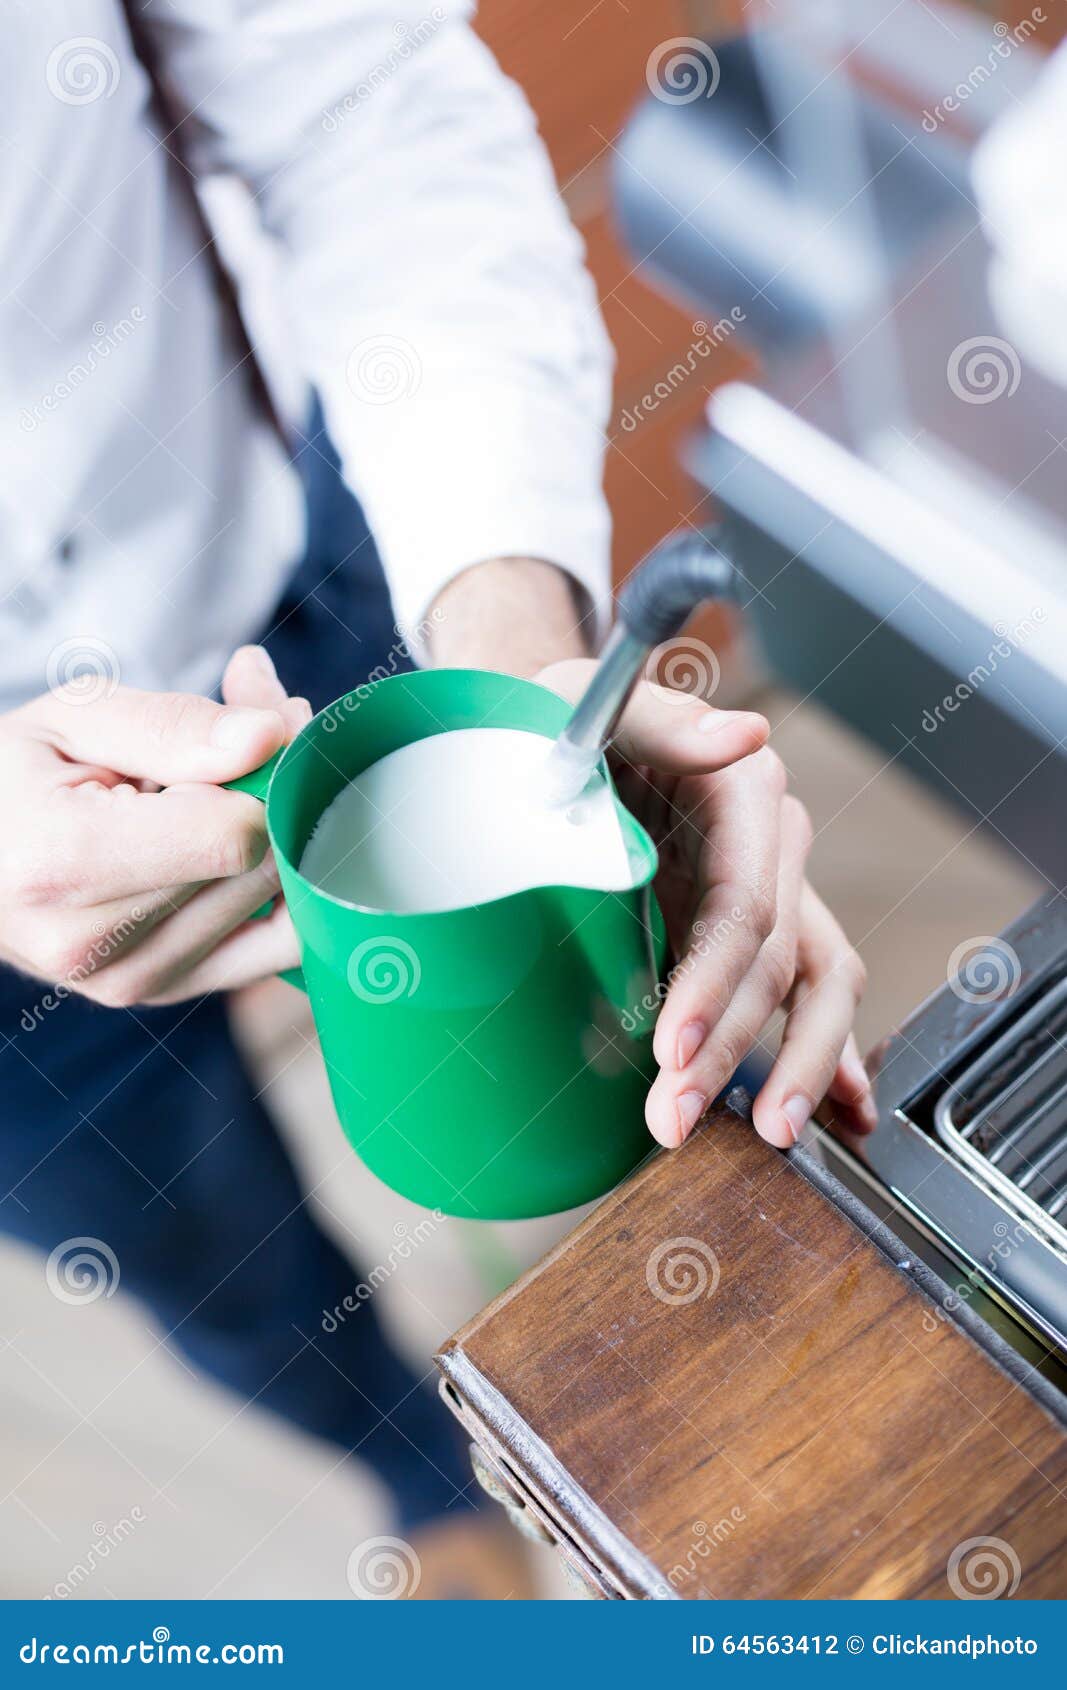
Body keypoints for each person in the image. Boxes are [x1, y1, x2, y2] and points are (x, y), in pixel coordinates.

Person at [0, 2, 874, 1595]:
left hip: (313, 577)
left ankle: (836, 1340)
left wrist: (520, 643)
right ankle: (423, 1466)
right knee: (201, 1247)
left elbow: (365, 105)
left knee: (657, 1007)